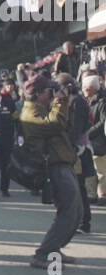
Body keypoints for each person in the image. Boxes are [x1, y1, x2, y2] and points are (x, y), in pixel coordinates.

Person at [19, 76, 82, 271]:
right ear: (38, 93)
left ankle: (55, 249)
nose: (52, 94)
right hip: (53, 166)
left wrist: (66, 102)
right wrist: (60, 101)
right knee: (68, 211)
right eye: (49, 91)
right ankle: (43, 254)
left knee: (76, 211)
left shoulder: (42, 108)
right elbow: (54, 124)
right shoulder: (29, 113)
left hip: (64, 163)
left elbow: (64, 125)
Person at [57, 73, 94, 234]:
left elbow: (76, 128)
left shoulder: (77, 102)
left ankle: (84, 221)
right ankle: (80, 220)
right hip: (72, 148)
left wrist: (68, 144)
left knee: (78, 187)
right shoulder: (70, 101)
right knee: (75, 188)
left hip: (78, 149)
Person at [83, 74, 106, 206]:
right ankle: (91, 194)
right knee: (90, 169)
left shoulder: (102, 102)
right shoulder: (87, 100)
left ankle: (102, 195)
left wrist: (89, 133)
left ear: (92, 88)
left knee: (101, 170)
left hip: (98, 141)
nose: (84, 90)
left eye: (86, 88)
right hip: (89, 141)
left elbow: (103, 121)